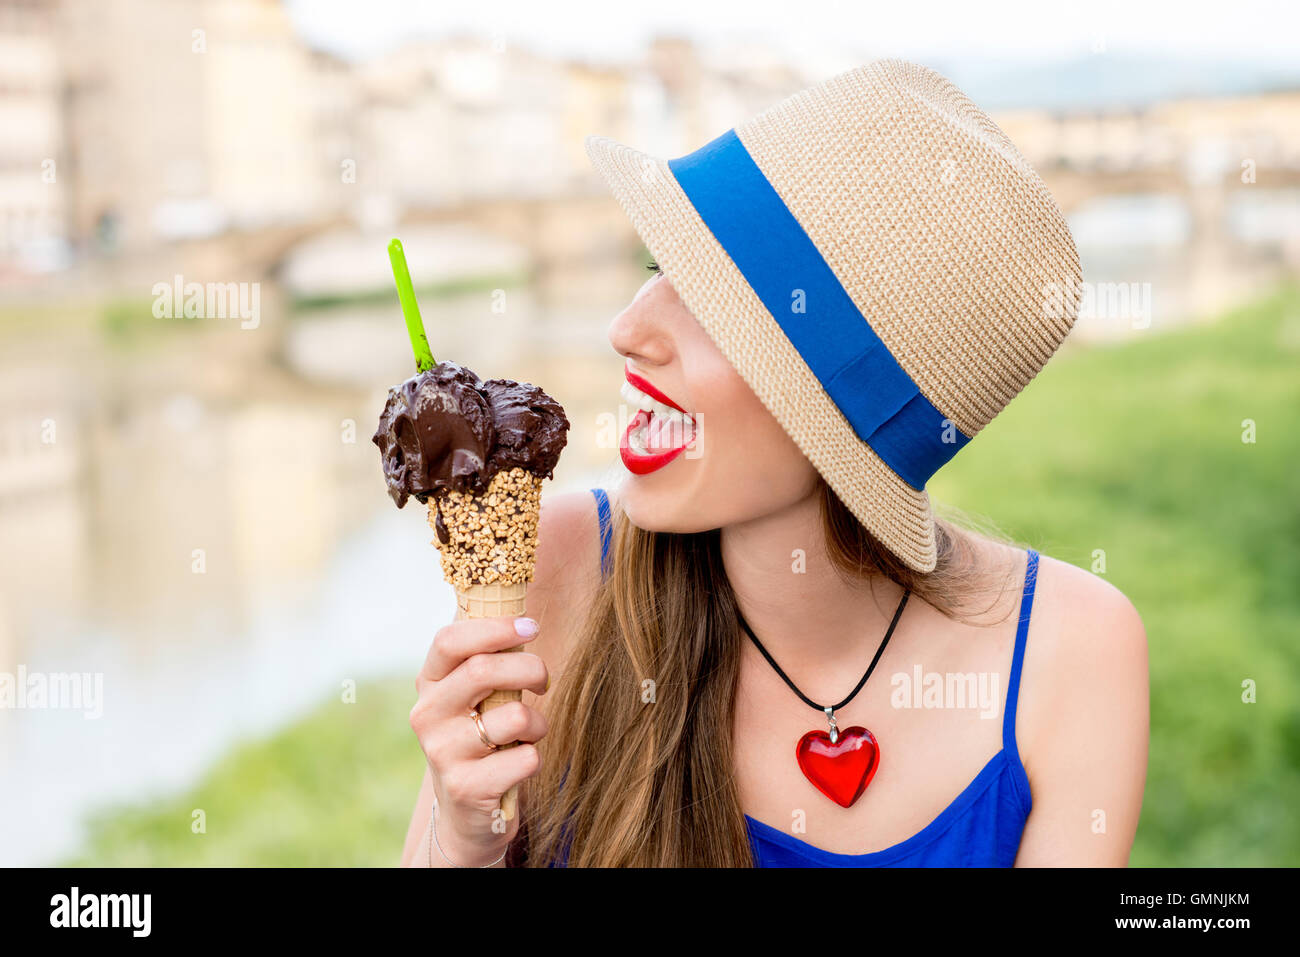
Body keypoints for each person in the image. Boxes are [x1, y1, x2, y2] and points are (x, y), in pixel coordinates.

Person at [401, 58, 1148, 868]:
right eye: (660, 269)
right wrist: (460, 841)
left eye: (719, 303)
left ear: (844, 414)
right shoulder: (562, 566)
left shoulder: (1071, 648)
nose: (626, 329)